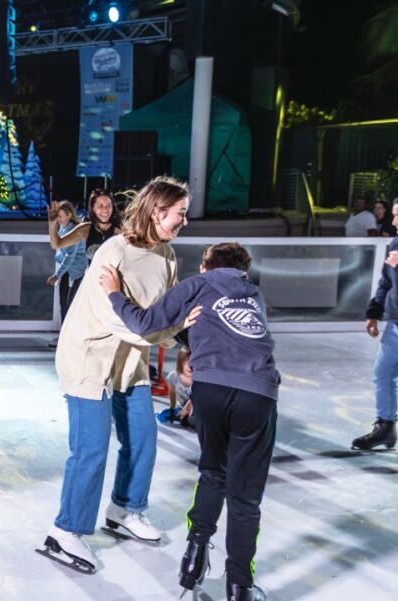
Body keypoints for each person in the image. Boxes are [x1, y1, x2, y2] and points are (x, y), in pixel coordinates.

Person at [99, 242, 279, 601]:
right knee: (245, 496)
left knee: (214, 473)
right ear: (245, 270)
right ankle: (240, 586)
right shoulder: (254, 294)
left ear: (204, 267)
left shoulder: (198, 284)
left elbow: (146, 322)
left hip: (211, 389)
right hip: (257, 393)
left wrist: (114, 293)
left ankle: (193, 559)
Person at [39, 176, 190, 575]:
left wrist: (181, 333)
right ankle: (65, 530)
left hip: (130, 359)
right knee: (91, 448)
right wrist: (166, 332)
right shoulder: (114, 250)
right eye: (180, 213)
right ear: (157, 212)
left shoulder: (169, 255)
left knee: (142, 438)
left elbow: (166, 311)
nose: (184, 221)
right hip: (90, 357)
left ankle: (126, 508)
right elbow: (124, 318)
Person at [356, 200, 398, 451]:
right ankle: (385, 427)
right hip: (394, 325)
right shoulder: (395, 244)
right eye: (393, 216)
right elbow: (385, 282)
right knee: (382, 374)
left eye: (397, 216)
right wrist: (374, 311)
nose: (393, 222)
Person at [49, 189, 122, 263]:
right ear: (93, 208)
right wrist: (52, 222)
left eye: (108, 205)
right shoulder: (85, 229)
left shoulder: (121, 231)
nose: (105, 210)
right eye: (100, 206)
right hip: (93, 274)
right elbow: (56, 244)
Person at [47, 199, 88, 330]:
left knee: (71, 305)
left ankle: (70, 335)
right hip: (67, 271)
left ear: (69, 215)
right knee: (63, 304)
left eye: (60, 216)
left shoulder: (74, 232)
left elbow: (70, 257)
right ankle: (64, 335)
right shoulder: (62, 230)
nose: (58, 219)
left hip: (76, 273)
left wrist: (57, 275)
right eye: (57, 216)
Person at [161, 346, 196, 429]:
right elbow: (172, 392)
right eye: (187, 362)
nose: (190, 366)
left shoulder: (198, 379)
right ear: (180, 362)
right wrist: (172, 409)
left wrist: (189, 405)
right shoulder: (174, 376)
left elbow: (200, 395)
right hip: (185, 404)